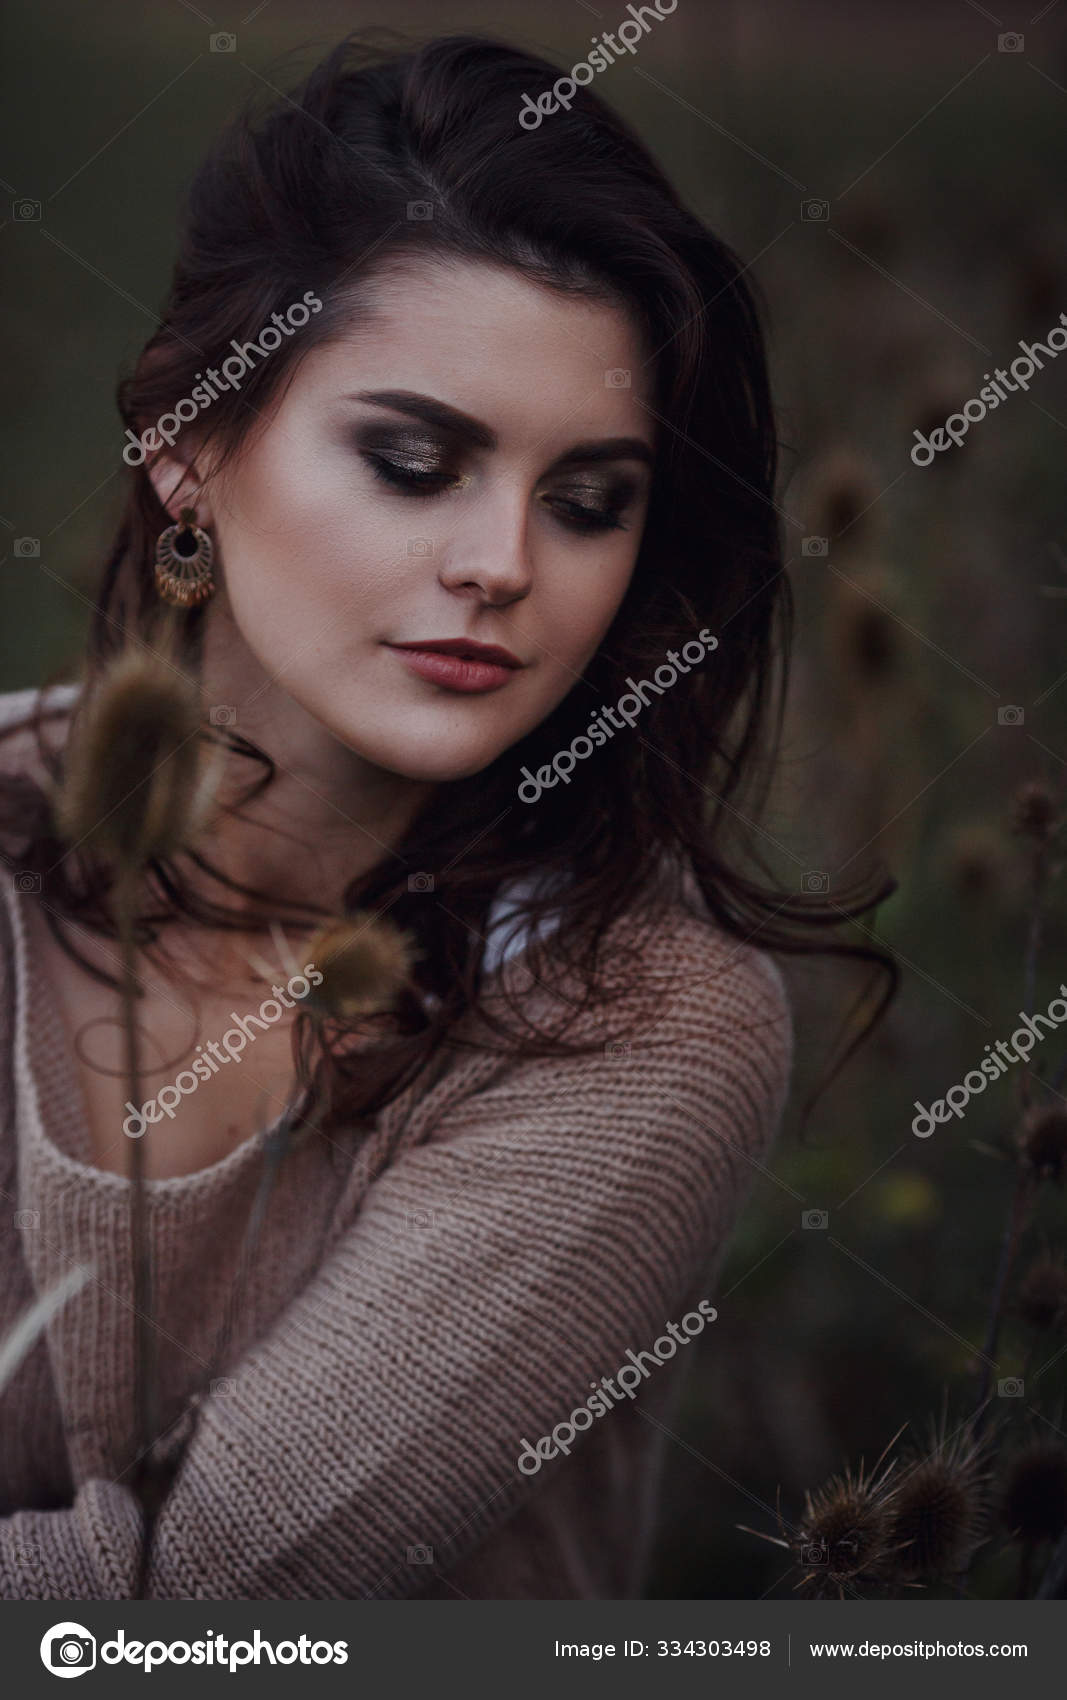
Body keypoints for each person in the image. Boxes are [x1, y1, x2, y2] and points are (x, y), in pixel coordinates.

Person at [0, 33, 887, 1599]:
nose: (503, 563)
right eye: (415, 464)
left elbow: (198, 1601)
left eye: (591, 501)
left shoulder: (643, 1020)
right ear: (189, 448)